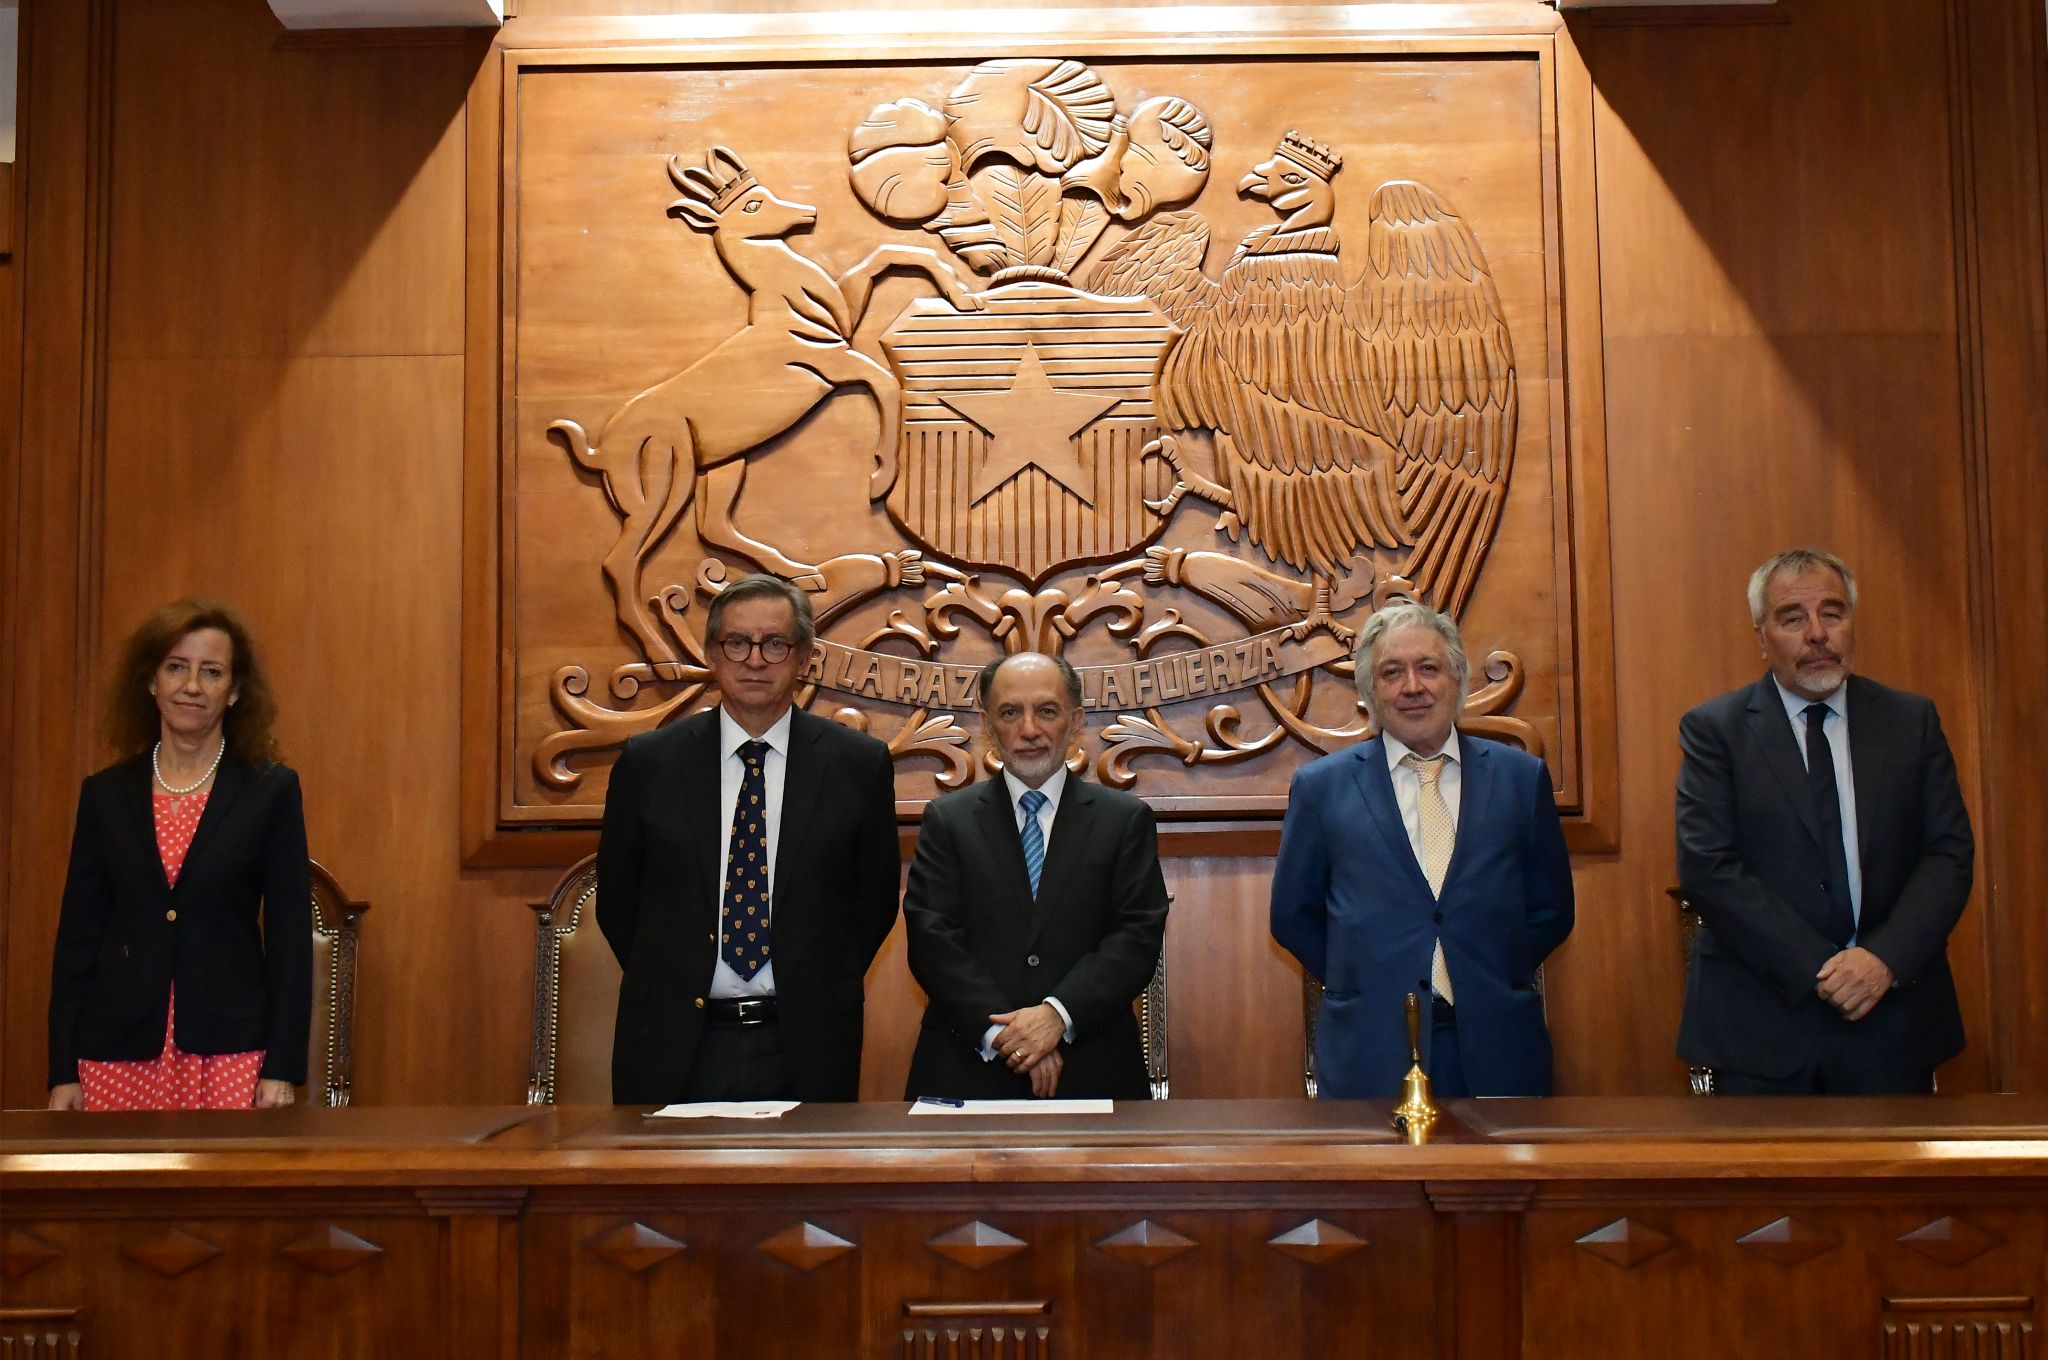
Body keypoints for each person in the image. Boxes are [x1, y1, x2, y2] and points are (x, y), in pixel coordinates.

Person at [1676, 548, 1973, 1094]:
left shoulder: (1911, 721)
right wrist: (1824, 968)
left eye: (1832, 613)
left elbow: (1948, 856)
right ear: (1761, 638)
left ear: (1852, 623)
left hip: (1892, 1020)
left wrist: (1882, 960)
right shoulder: (1715, 730)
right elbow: (1708, 867)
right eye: (1792, 618)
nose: (1817, 634)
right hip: (1762, 1030)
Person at [596, 574, 901, 1104]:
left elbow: (872, 904)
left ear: (804, 657)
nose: (755, 660)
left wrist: (813, 983)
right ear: (712, 654)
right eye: (737, 642)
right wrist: (677, 978)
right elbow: (619, 903)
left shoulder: (857, 765)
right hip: (673, 1039)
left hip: (807, 1042)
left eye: (775, 643)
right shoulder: (649, 764)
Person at [1270, 603, 1574, 1098]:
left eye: (1428, 668)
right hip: (1371, 1050)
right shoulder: (1322, 788)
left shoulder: (1520, 780)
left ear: (1457, 679)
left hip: (1498, 1047)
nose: (1412, 687)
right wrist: (1365, 976)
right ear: (1370, 691)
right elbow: (1292, 916)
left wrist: (1487, 966)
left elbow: (1551, 909)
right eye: (1392, 673)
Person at [47, 600, 311, 1111]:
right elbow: (77, 940)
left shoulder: (270, 791)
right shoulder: (105, 795)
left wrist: (282, 1067)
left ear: (235, 690)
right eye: (176, 667)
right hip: (116, 1052)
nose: (192, 686)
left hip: (230, 1052)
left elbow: (290, 940)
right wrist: (62, 1070)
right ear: (151, 681)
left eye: (211, 672)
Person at [902, 653, 1168, 1100]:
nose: (1029, 729)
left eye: (1047, 711)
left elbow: (1136, 937)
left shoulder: (1123, 820)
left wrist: (1056, 1016)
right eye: (1010, 713)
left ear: (1075, 721)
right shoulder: (948, 820)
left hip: (1093, 1068)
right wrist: (1010, 1038)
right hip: (969, 1067)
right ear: (988, 725)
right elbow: (933, 942)